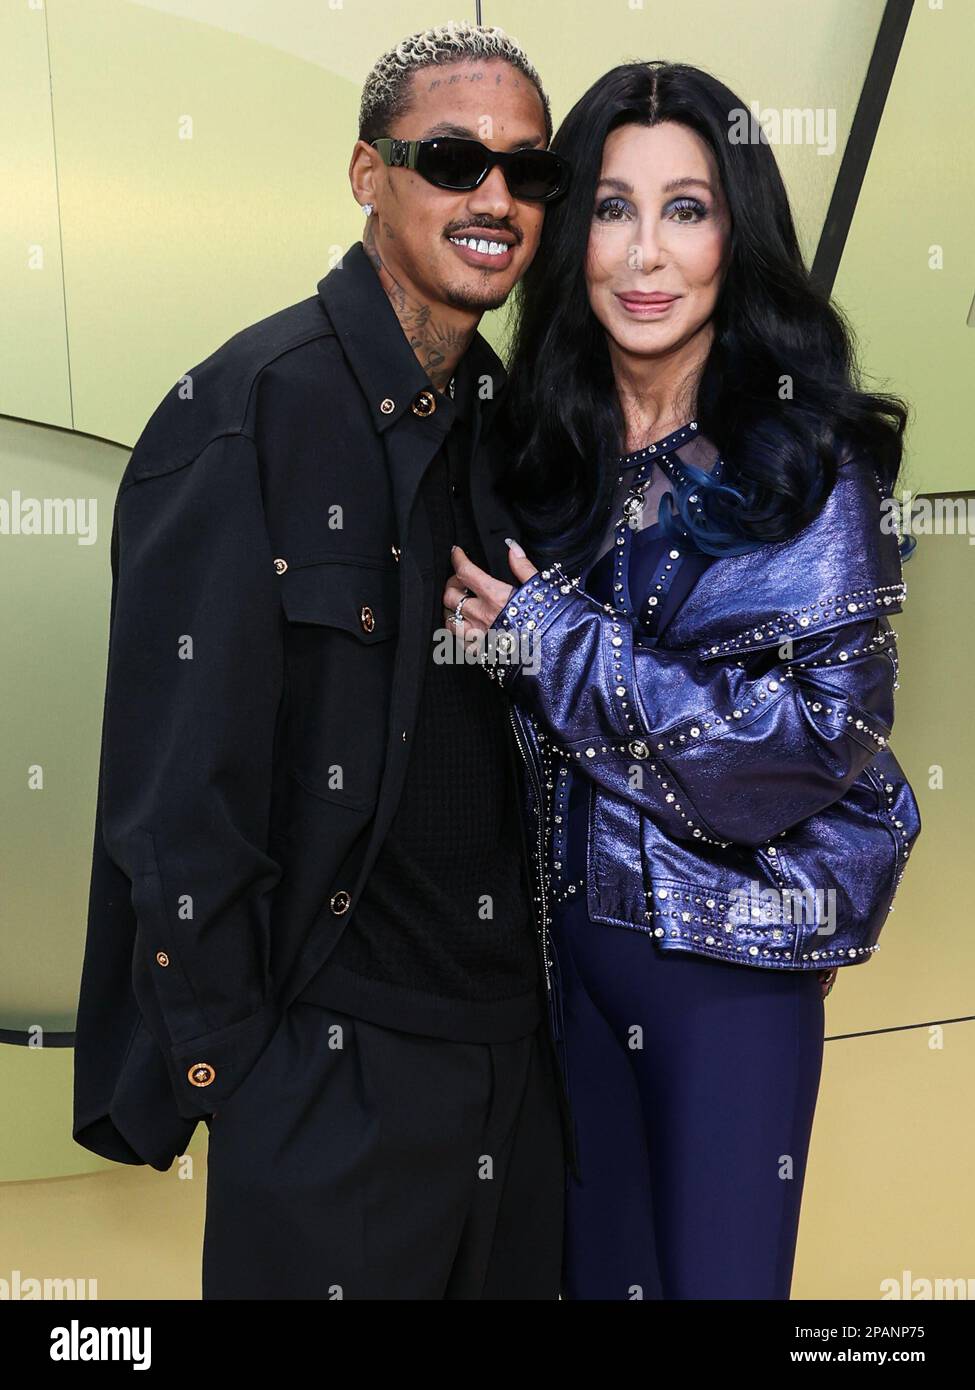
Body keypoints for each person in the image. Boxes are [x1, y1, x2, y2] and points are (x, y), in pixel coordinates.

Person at [73, 21, 577, 1300]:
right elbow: (173, 796)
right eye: (454, 158)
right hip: (329, 1078)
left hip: (518, 1076)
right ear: (367, 172)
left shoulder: (519, 441)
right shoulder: (245, 415)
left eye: (528, 173)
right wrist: (240, 1068)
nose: (495, 198)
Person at [444, 60, 922, 1300]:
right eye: (611, 208)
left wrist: (554, 643)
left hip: (731, 971)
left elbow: (813, 746)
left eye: (687, 209)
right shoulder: (542, 455)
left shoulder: (810, 467)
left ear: (736, 235)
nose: (645, 254)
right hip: (560, 963)